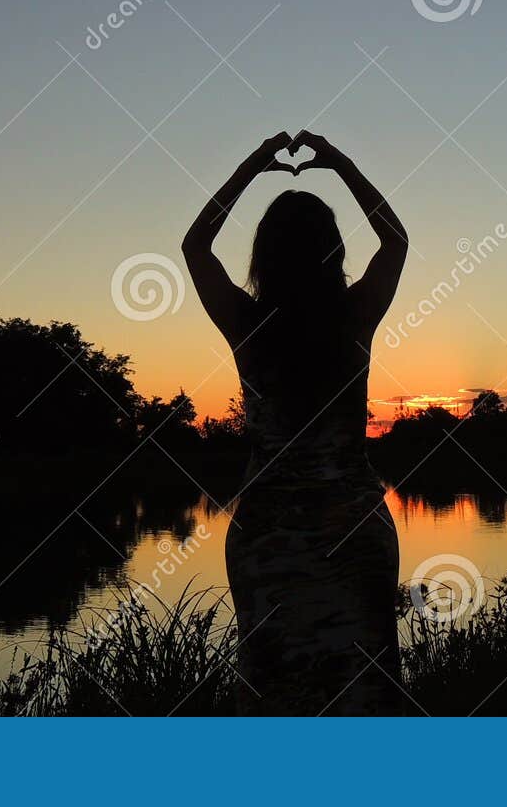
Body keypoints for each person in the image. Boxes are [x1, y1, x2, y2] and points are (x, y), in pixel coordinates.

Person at [182, 130, 409, 714]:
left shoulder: (247, 323)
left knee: (276, 696)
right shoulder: (355, 317)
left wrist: (254, 165)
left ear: (263, 255)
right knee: (366, 697)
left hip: (269, 538)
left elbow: (196, 246)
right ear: (334, 252)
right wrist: (339, 164)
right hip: (354, 530)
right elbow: (395, 239)